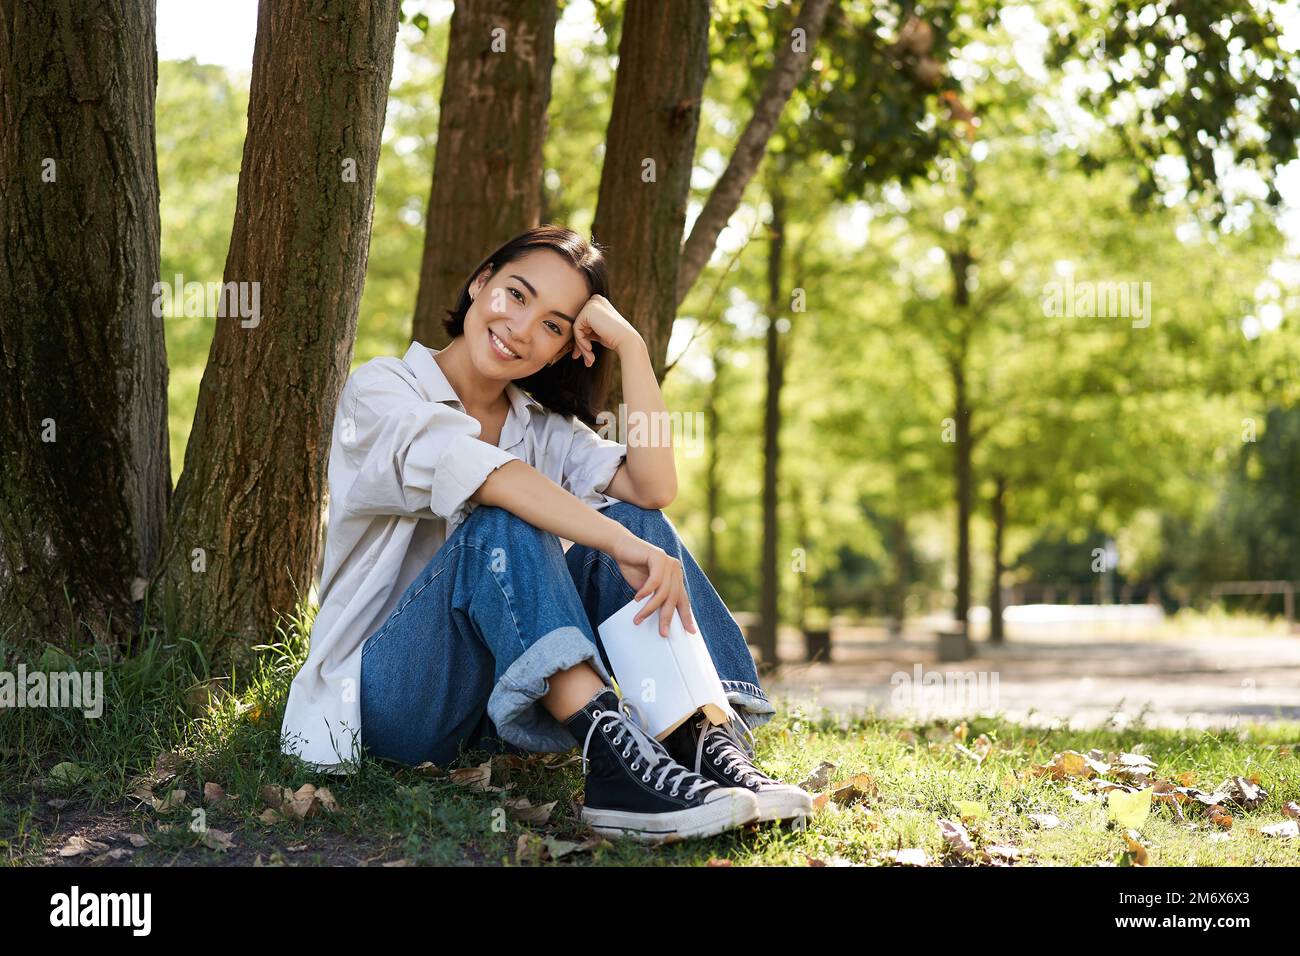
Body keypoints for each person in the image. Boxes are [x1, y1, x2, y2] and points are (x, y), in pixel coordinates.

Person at [280, 224, 812, 843]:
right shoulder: (383, 390)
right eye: (516, 295)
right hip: (390, 699)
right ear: (481, 283)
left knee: (636, 521)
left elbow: (653, 486)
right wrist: (619, 545)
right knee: (506, 517)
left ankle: (703, 743)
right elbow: (493, 478)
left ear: (563, 350)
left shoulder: (539, 427)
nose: (523, 328)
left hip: (497, 714)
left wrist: (632, 346)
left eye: (555, 325)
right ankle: (616, 769)